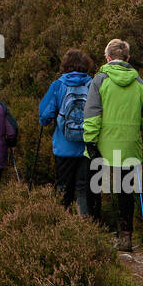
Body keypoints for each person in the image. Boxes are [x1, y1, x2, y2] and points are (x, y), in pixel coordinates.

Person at [82, 38, 143, 251]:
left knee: (94, 189)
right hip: (129, 145)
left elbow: (92, 115)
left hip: (102, 145)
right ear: (128, 58)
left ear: (108, 57)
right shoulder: (139, 83)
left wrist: (90, 142)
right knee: (125, 191)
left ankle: (94, 235)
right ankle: (126, 237)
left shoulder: (100, 80)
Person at [37, 48, 98, 217]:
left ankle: (65, 225)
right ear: (86, 65)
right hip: (88, 145)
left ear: (65, 65)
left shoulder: (58, 85)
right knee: (85, 187)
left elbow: (44, 116)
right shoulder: (92, 84)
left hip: (63, 147)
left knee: (64, 187)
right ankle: (87, 223)